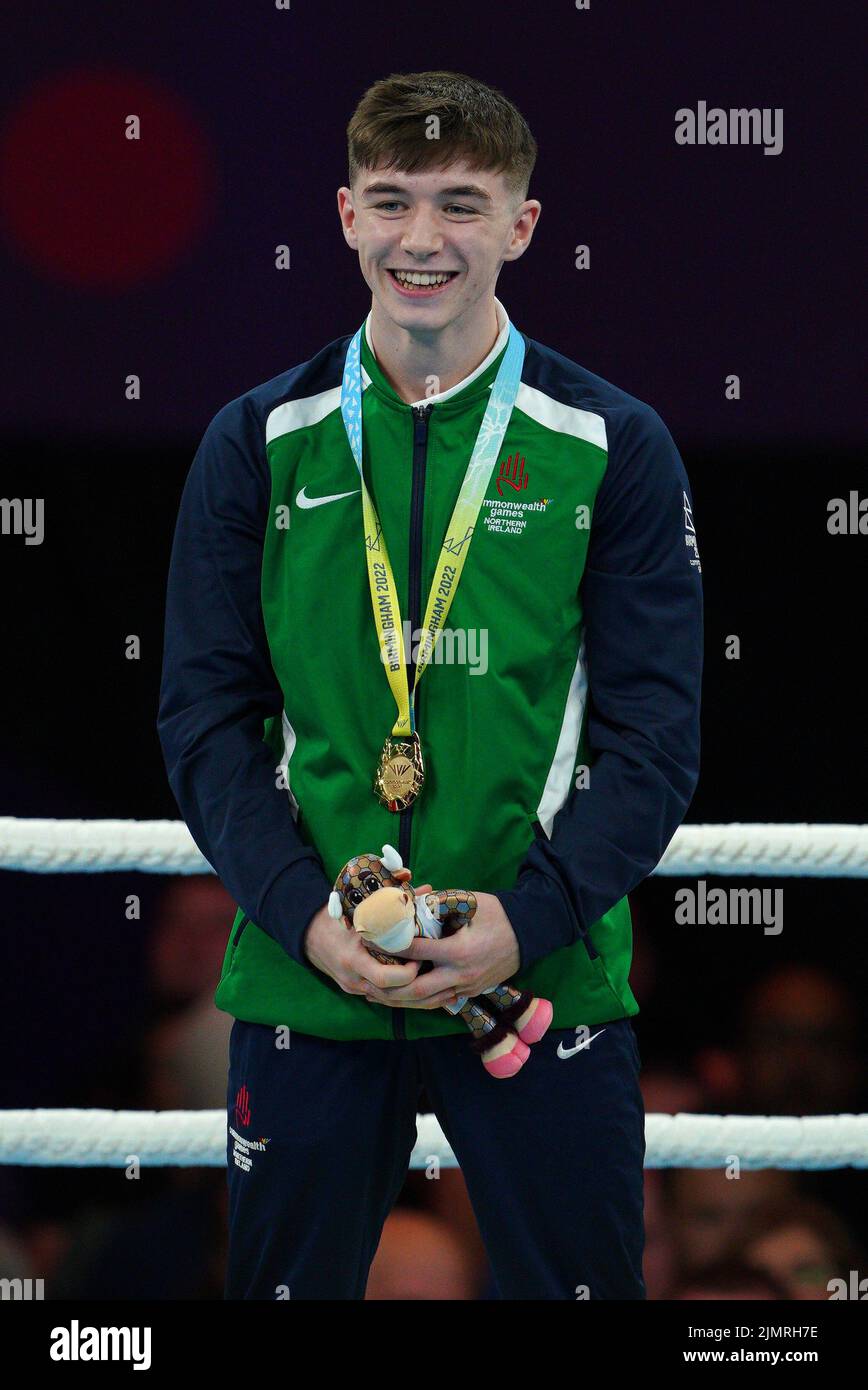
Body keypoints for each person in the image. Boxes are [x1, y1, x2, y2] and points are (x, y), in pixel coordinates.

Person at [158, 69, 703, 1300]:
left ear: (521, 225)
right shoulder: (254, 440)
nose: (422, 238)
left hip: (541, 981)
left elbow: (656, 736)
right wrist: (305, 917)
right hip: (309, 977)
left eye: (461, 204)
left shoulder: (613, 444)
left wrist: (530, 918)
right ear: (345, 215)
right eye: (393, 199)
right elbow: (203, 720)